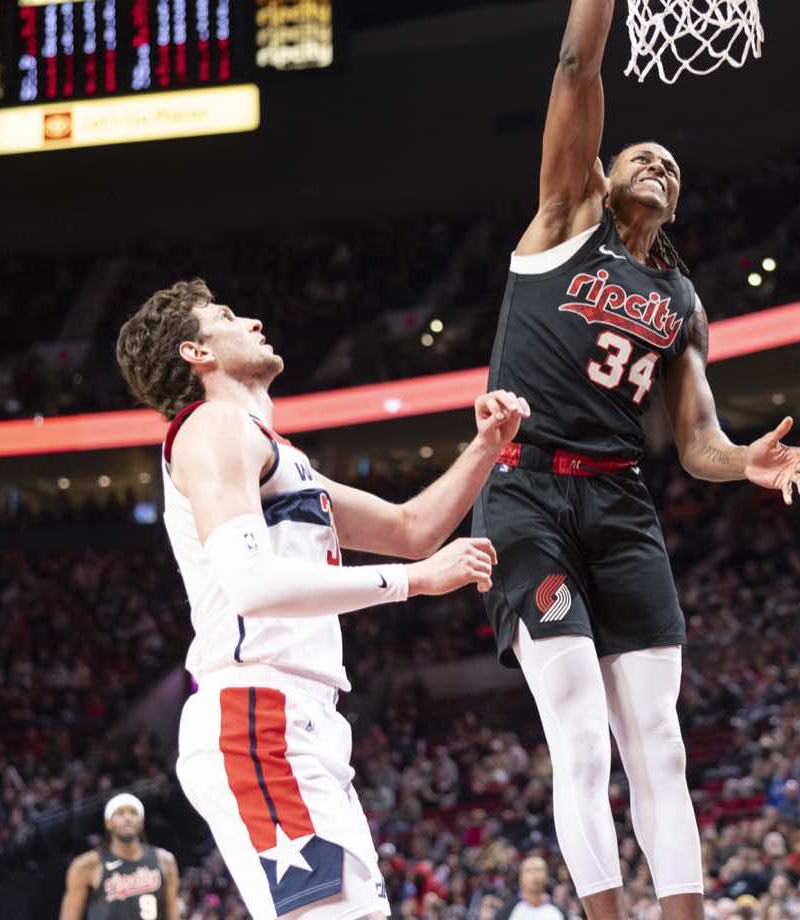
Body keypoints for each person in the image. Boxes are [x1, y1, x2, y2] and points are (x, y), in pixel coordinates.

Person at [469, 0, 800, 920]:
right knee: (581, 736)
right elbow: (578, 70)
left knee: (659, 743)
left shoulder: (680, 299)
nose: (661, 163)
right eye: (644, 154)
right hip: (530, 496)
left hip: (623, 506)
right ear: (605, 172)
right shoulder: (561, 218)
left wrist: (744, 462)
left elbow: (699, 442)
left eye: (673, 164)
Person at [116, 279, 529, 920]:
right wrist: (413, 580)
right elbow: (252, 585)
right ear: (196, 353)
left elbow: (411, 529)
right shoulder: (210, 427)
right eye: (227, 316)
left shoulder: (278, 455)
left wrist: (485, 447)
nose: (252, 318)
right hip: (257, 719)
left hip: (297, 723)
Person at [59, 794, 178, 920]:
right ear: (108, 823)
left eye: (133, 812)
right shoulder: (86, 865)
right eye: (120, 813)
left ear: (142, 822)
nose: (127, 818)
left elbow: (173, 915)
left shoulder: (164, 860)